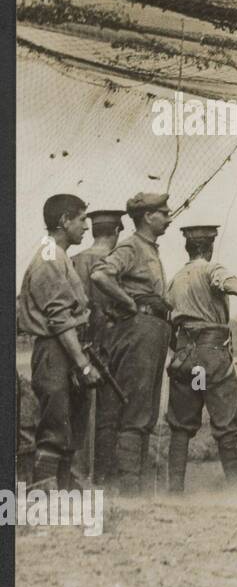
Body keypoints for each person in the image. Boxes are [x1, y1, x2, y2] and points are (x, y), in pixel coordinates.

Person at [165, 224, 237, 492]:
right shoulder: (210, 269)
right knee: (225, 427)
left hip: (186, 358)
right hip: (211, 357)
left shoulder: (176, 278)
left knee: (180, 427)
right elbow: (224, 283)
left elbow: (168, 320)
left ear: (188, 248)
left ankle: (175, 492)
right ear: (209, 247)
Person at [16, 194, 103, 489]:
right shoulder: (50, 257)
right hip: (56, 350)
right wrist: (83, 365)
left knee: (69, 427)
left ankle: (65, 490)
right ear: (64, 221)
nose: (86, 227)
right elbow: (59, 318)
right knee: (55, 426)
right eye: (81, 220)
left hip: (66, 348)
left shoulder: (59, 255)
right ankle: (44, 493)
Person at [90, 192, 172, 495]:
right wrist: (128, 302)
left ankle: (130, 488)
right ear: (148, 216)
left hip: (150, 330)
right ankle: (129, 492)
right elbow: (100, 274)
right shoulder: (132, 246)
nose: (169, 217)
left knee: (143, 411)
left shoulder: (148, 248)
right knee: (136, 411)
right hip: (138, 330)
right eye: (164, 212)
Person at [70, 209, 125, 483]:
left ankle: (78, 479)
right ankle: (103, 479)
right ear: (116, 232)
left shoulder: (72, 261)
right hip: (111, 349)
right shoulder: (117, 263)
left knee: (79, 416)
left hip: (77, 349)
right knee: (108, 416)